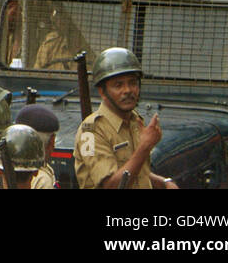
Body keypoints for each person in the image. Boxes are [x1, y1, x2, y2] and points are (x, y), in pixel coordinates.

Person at [74, 48, 178, 189]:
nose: (128, 90)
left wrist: (163, 182)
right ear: (102, 92)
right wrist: (145, 147)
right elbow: (112, 186)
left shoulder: (135, 120)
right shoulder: (90, 131)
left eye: (133, 83)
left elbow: (136, 170)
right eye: (118, 85)